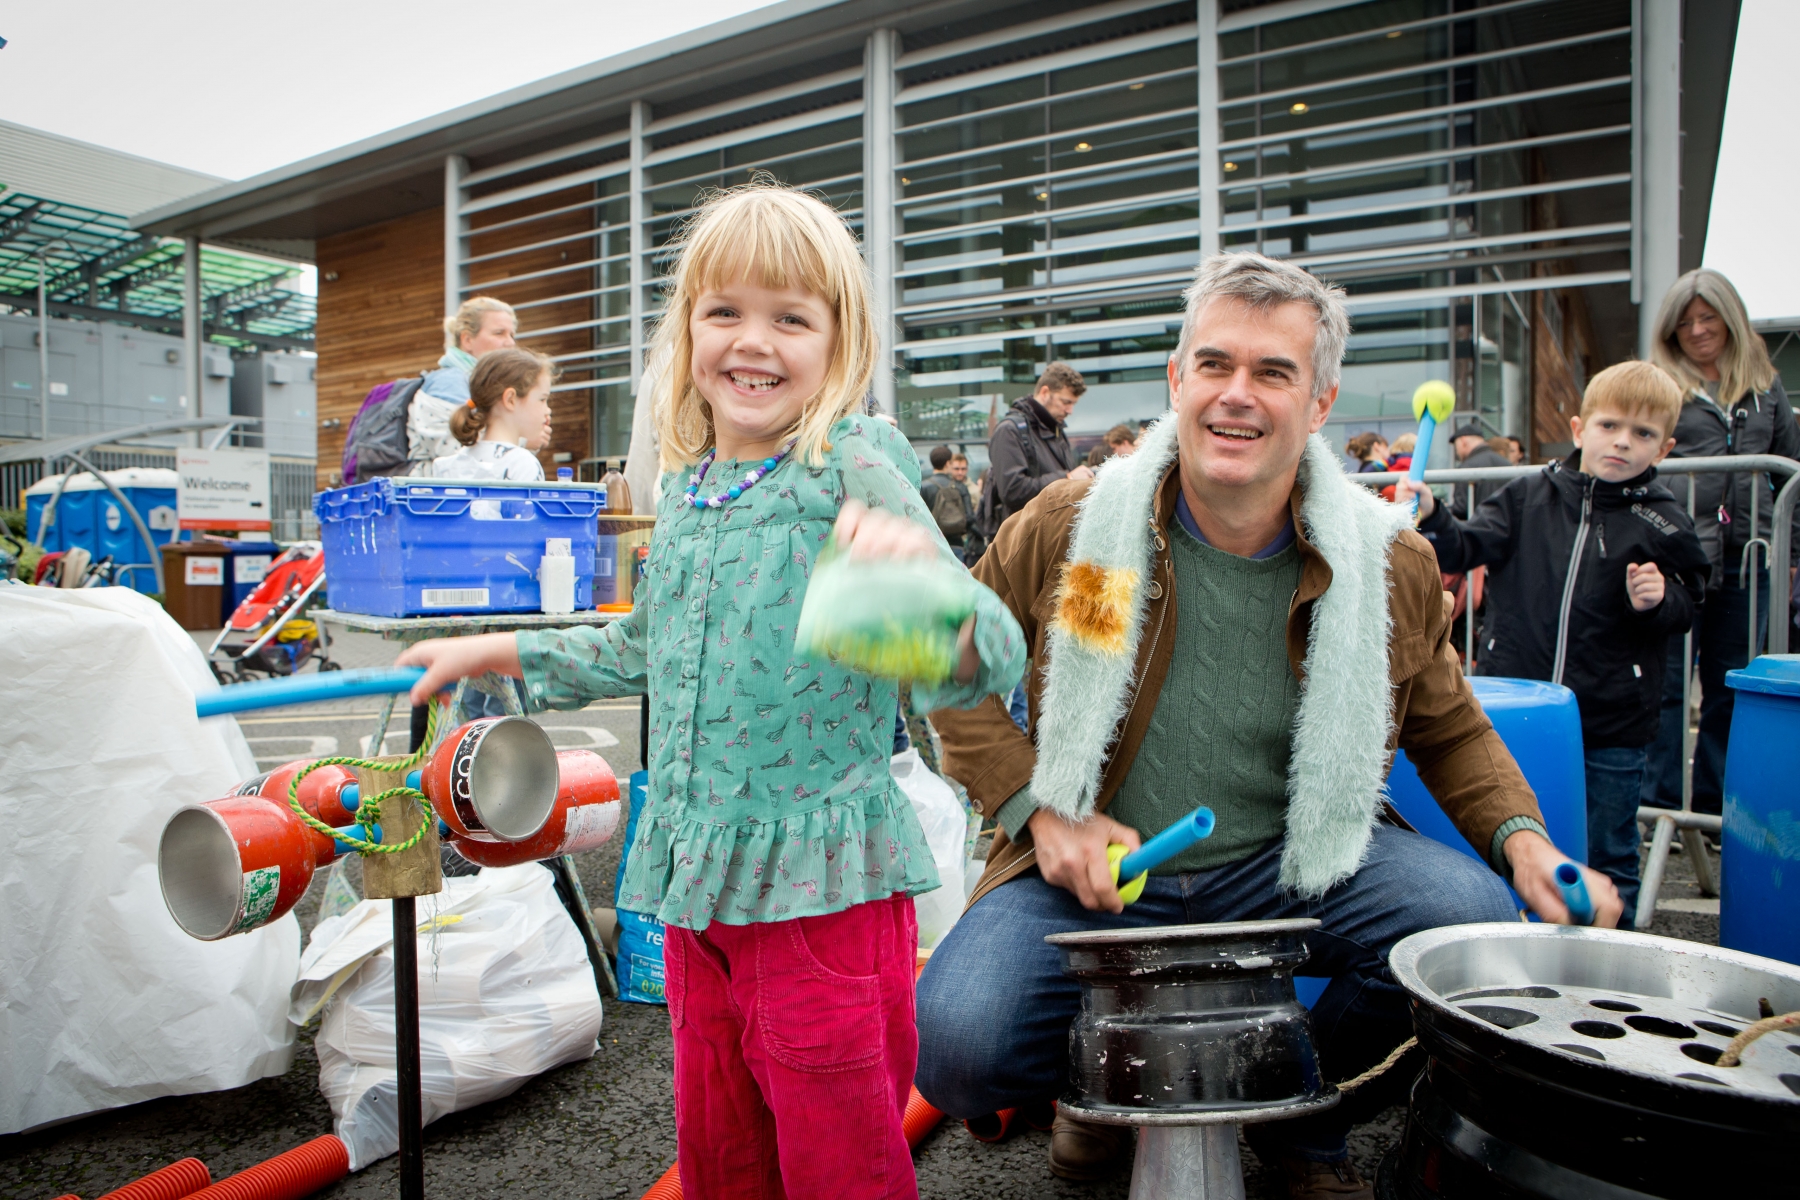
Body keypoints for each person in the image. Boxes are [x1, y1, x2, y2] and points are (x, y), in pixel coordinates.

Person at [917, 252, 1615, 1200]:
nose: (1235, 396)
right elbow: (951, 669)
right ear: (1176, 379)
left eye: (1272, 373)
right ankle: (1099, 1084)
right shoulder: (1078, 523)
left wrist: (1523, 840)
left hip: (1290, 864)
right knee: (957, 1047)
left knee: (1469, 931)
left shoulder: (1387, 560)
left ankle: (1302, 1113)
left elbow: (1450, 727)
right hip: (1089, 869)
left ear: (1320, 403)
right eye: (1213, 365)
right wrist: (1042, 815)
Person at [394, 183, 1025, 1200]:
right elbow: (647, 643)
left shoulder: (845, 462)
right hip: (699, 892)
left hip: (821, 894)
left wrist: (917, 588)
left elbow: (987, 654)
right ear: (687, 329)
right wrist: (503, 649)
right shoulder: (685, 490)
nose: (752, 341)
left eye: (791, 318)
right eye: (724, 311)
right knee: (721, 1145)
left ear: (841, 340)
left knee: (840, 1155)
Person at [1398, 362, 1709, 927]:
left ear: (1664, 447)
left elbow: (1692, 602)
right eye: (1610, 425)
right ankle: (1513, 951)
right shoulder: (1526, 497)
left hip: (1612, 721)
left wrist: (1660, 599)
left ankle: (1616, 962)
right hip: (1521, 711)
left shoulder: (1665, 522)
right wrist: (1436, 517)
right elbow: (1467, 546)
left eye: (1641, 434)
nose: (1622, 442)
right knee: (1512, 836)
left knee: (1608, 848)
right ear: (1577, 427)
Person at [1642, 268, 1799, 819]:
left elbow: (1790, 476)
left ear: (1729, 319)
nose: (1698, 330)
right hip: (1682, 558)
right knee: (1666, 686)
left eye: (1708, 317)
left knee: (1729, 687)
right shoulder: (1665, 384)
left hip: (1752, 557)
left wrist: (1793, 555)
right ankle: (1658, 805)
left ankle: (1713, 807)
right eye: (1685, 322)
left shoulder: (1765, 388)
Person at [976, 361, 1094, 542]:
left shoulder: (1055, 430)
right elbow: (1013, 491)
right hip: (1025, 546)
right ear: (1045, 392)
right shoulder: (1009, 430)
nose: (1070, 410)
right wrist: (1068, 479)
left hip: (1053, 541)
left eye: (1073, 404)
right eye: (1065, 402)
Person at [409, 296, 517, 468]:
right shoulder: (448, 384)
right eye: (499, 333)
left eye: (512, 335)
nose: (510, 342)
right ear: (467, 340)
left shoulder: (483, 386)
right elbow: (458, 457)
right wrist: (524, 440)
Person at [428, 348, 554, 480]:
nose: (547, 410)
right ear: (510, 399)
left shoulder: (449, 466)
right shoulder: (523, 465)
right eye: (542, 399)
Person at [920, 444, 976, 561]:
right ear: (947, 463)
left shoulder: (923, 487)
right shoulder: (960, 487)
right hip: (956, 544)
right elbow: (970, 518)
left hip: (932, 545)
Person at [1449, 421, 1510, 516]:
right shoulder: (1506, 464)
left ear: (1463, 441)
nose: (1457, 452)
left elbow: (1461, 508)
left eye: (1456, 447)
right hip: (1504, 527)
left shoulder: (1467, 467)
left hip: (1478, 527)